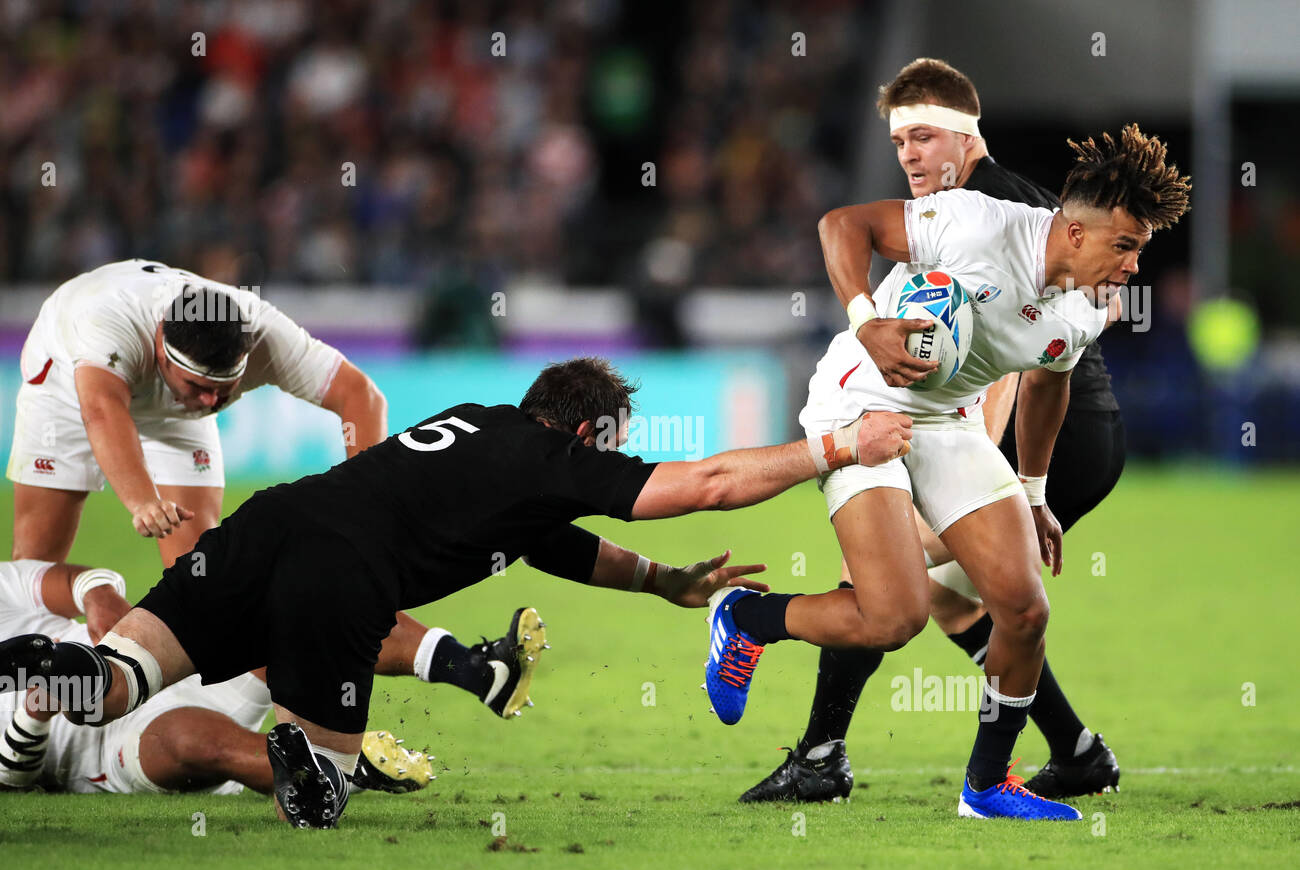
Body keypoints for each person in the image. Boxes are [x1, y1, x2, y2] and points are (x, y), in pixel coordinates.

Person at [0, 357, 914, 828]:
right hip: (342, 577)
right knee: (321, 797)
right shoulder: (553, 457)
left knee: (122, 674)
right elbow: (706, 484)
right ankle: (299, 757)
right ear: (591, 431)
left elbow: (551, 542)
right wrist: (834, 448)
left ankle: (51, 677)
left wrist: (662, 584)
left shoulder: (478, 424)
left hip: (266, 524)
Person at [701, 124, 1189, 820]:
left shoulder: (1086, 307)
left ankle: (986, 788)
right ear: (1075, 235)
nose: (1134, 268)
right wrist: (868, 320)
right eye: (1126, 246)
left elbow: (1050, 380)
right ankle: (748, 618)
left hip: (948, 423)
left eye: (1140, 249)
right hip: (862, 402)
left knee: (1023, 609)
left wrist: (1034, 494)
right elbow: (843, 225)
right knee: (894, 615)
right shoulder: (973, 222)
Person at [7, 259, 387, 568]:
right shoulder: (109, 324)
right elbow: (102, 410)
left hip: (174, 415)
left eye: (224, 388)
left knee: (197, 576)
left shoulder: (263, 333)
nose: (211, 403)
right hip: (66, 387)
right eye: (200, 387)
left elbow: (360, 395)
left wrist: (361, 498)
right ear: (160, 351)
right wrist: (142, 500)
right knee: (35, 567)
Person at [0, 559, 431, 795]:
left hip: (136, 659)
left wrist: (99, 597)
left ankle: (464, 664)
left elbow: (77, 580)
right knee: (186, 742)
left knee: (281, 611)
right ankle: (340, 769)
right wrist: (33, 715)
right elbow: (13, 781)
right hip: (102, 747)